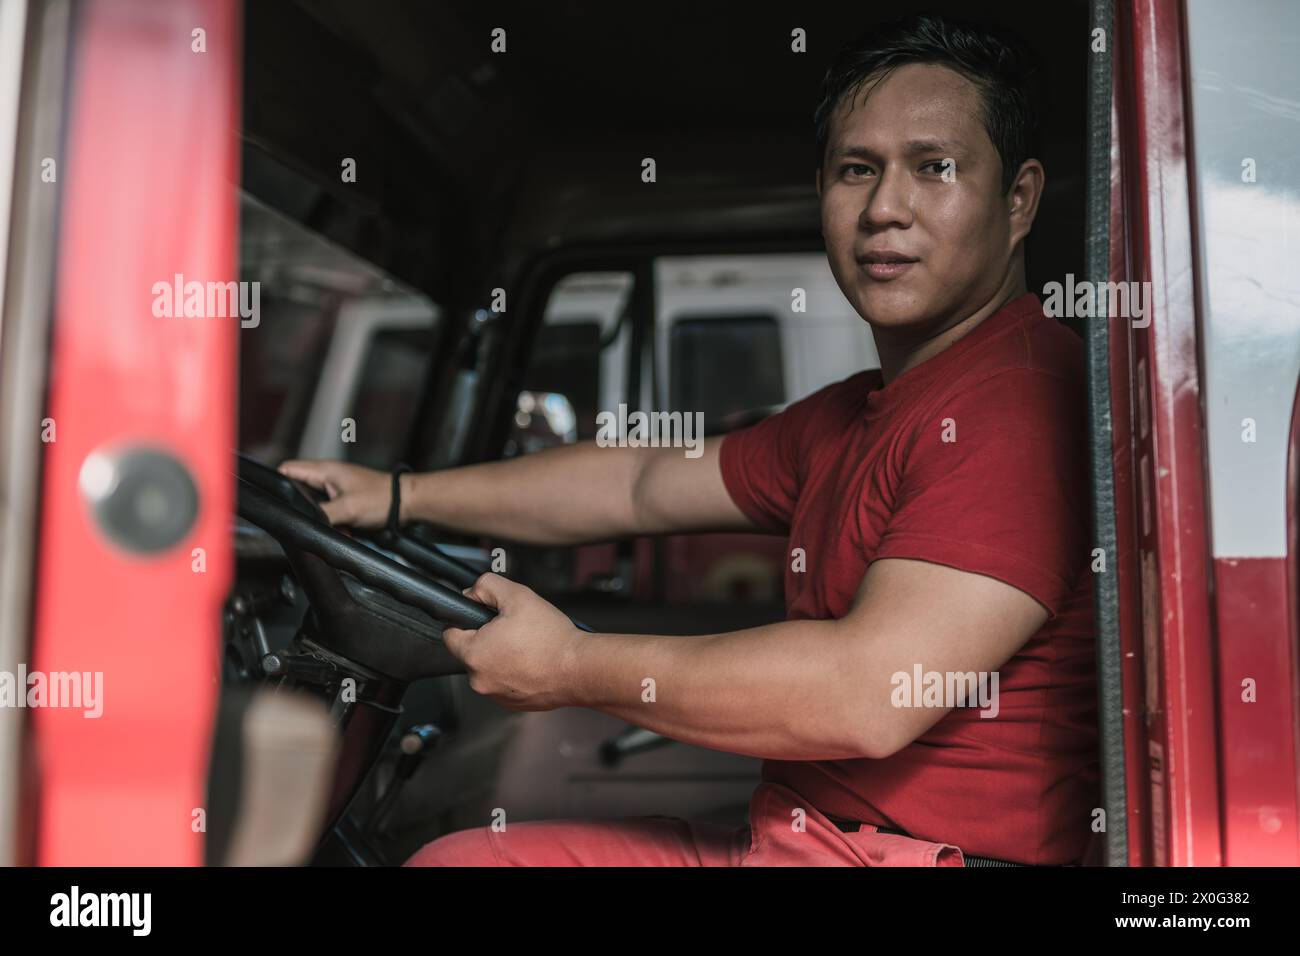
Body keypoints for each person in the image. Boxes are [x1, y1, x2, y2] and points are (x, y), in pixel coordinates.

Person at [280, 13, 1098, 867]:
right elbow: (638, 481)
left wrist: (570, 666)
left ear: (1019, 200)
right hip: (806, 839)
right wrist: (397, 495)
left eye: (934, 168)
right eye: (858, 170)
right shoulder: (864, 411)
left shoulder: (1016, 401)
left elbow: (871, 693)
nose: (885, 209)